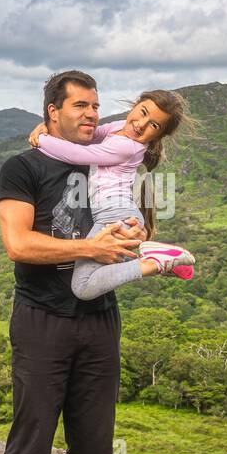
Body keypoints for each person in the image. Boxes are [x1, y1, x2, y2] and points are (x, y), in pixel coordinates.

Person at [0, 69, 146, 454]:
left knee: (94, 438)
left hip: (99, 318)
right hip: (41, 320)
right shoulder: (24, 166)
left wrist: (134, 234)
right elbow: (19, 244)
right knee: (32, 438)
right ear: (52, 111)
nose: (92, 114)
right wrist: (89, 250)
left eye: (96, 106)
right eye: (79, 106)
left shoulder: (111, 159)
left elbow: (130, 227)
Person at [26, 88, 198, 299]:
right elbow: (88, 136)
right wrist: (49, 128)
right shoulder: (119, 128)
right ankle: (167, 264)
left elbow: (77, 153)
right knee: (103, 274)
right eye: (143, 112)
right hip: (120, 214)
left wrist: (42, 139)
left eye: (154, 125)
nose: (141, 124)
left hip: (113, 216)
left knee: (83, 286)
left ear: (159, 135)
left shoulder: (127, 146)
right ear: (135, 105)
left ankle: (158, 263)